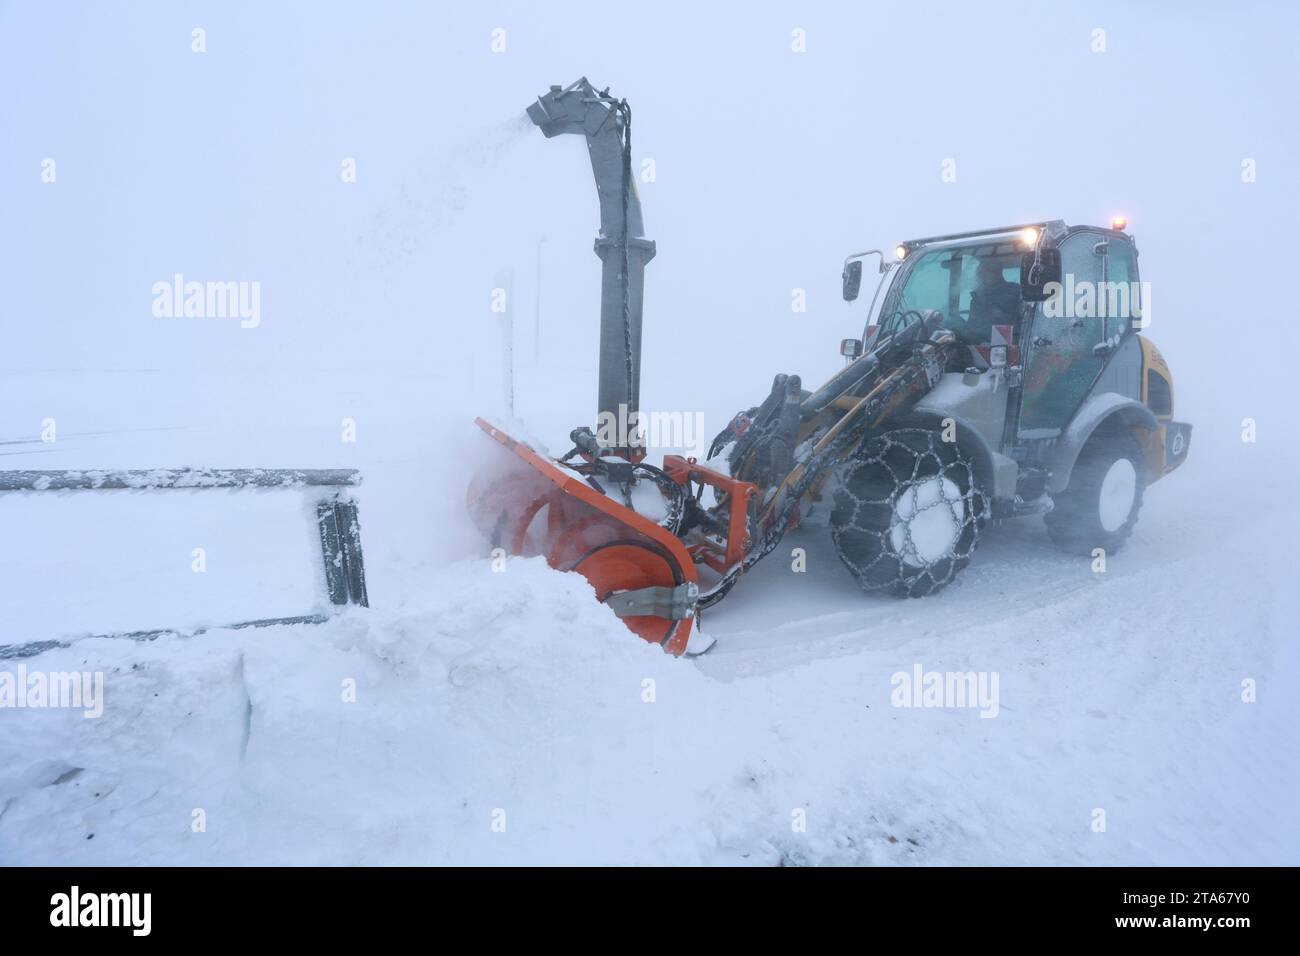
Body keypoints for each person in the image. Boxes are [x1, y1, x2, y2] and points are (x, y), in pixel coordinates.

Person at [964, 258, 1022, 343]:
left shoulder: (1015, 293)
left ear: (996, 273)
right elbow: (971, 328)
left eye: (984, 273)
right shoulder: (977, 298)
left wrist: (1003, 317)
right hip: (976, 346)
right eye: (979, 273)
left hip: (1008, 346)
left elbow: (1023, 325)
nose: (981, 277)